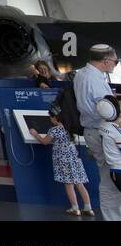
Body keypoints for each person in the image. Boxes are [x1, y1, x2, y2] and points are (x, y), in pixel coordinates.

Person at [75, 44, 120, 220]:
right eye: (115, 61)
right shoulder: (92, 79)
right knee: (111, 178)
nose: (115, 64)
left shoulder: (83, 74)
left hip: (95, 131)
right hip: (100, 132)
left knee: (108, 177)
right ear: (106, 60)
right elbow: (107, 111)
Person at [29, 107, 93, 216]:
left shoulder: (54, 130)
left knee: (69, 184)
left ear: (55, 118)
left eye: (51, 117)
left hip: (64, 161)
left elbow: (45, 142)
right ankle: (88, 208)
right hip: (74, 159)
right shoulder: (70, 128)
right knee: (80, 184)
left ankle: (75, 208)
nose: (50, 119)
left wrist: (35, 134)